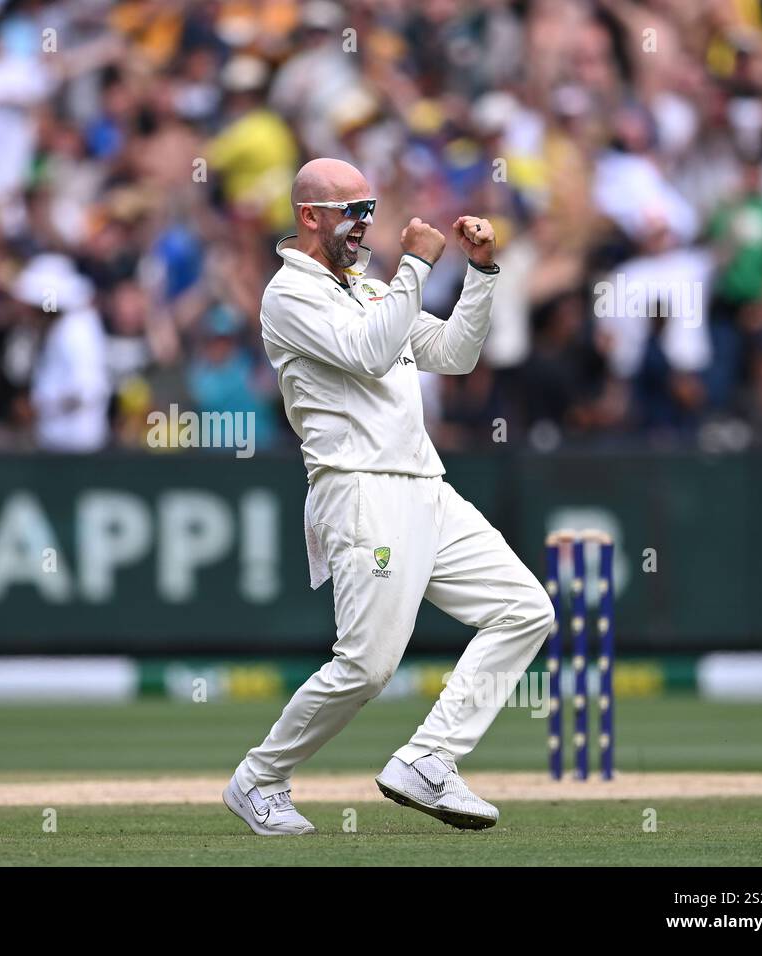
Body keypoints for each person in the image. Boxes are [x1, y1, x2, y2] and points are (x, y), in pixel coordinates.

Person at [223, 158, 554, 834]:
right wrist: (415, 267)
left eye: (370, 209)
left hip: (426, 485)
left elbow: (454, 354)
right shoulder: (289, 295)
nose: (364, 224)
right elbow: (372, 354)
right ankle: (258, 779)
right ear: (309, 215)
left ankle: (430, 758)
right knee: (369, 666)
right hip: (360, 490)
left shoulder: (375, 288)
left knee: (524, 610)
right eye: (351, 211)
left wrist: (481, 272)